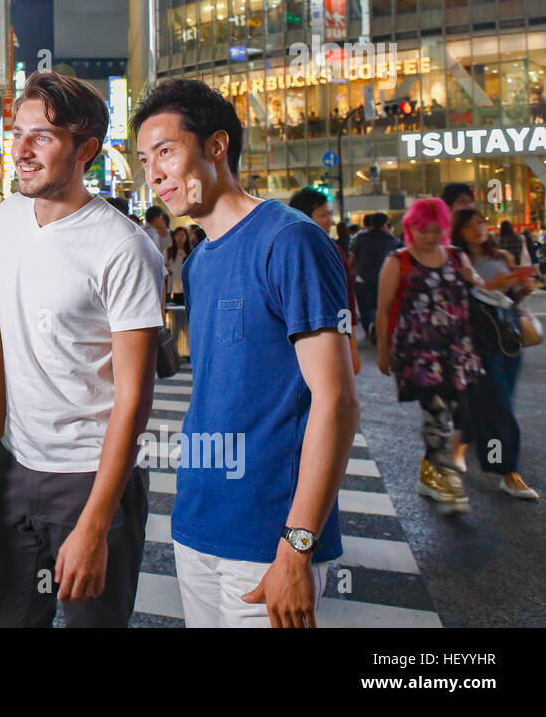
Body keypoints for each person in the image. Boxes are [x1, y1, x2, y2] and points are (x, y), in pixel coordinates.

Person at [132, 78, 359, 628]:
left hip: (269, 535)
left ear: (216, 146)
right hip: (199, 520)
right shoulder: (202, 260)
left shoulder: (291, 241)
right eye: (144, 159)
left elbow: (337, 401)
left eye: (165, 151)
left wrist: (298, 545)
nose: (154, 173)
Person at [0, 71, 161, 628]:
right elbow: (1, 334)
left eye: (43, 136)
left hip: (89, 477)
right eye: (17, 133)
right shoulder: (8, 218)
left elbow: (134, 395)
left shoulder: (124, 246)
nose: (23, 149)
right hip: (14, 468)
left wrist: (95, 521)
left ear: (86, 149)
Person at [375, 198, 483, 516]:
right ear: (410, 228)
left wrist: (471, 277)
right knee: (435, 413)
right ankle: (445, 481)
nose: (431, 237)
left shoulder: (456, 256)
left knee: (457, 412)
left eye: (437, 230)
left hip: (458, 351)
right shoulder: (398, 261)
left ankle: (430, 471)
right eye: (424, 230)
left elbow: (477, 289)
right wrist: (384, 351)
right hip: (420, 355)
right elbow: (382, 311)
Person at [450, 208, 539, 500]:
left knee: (499, 402)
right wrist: (488, 285)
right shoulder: (458, 261)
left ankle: (462, 438)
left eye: (481, 223)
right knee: (500, 404)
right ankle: (509, 472)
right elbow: (456, 303)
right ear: (459, 232)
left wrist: (523, 289)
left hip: (508, 338)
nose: (478, 229)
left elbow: (510, 300)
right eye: (470, 226)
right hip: (479, 342)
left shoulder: (502, 257)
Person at [288, 187, 361, 375]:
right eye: (322, 215)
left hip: (328, 338)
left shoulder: (333, 250)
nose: (329, 221)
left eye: (329, 214)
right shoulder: (287, 252)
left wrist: (349, 344)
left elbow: (345, 302)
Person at [350, 213, 398, 340]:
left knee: (365, 307)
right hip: (384, 280)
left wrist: (350, 271)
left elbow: (353, 258)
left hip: (363, 278)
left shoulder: (361, 238)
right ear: (385, 224)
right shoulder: (391, 239)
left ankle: (368, 330)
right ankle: (379, 330)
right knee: (381, 306)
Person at [164, 226, 192, 306]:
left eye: (182, 235)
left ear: (186, 237)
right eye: (177, 235)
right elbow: (164, 265)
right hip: (172, 285)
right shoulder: (169, 251)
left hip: (185, 286)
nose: (179, 238)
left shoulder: (189, 252)